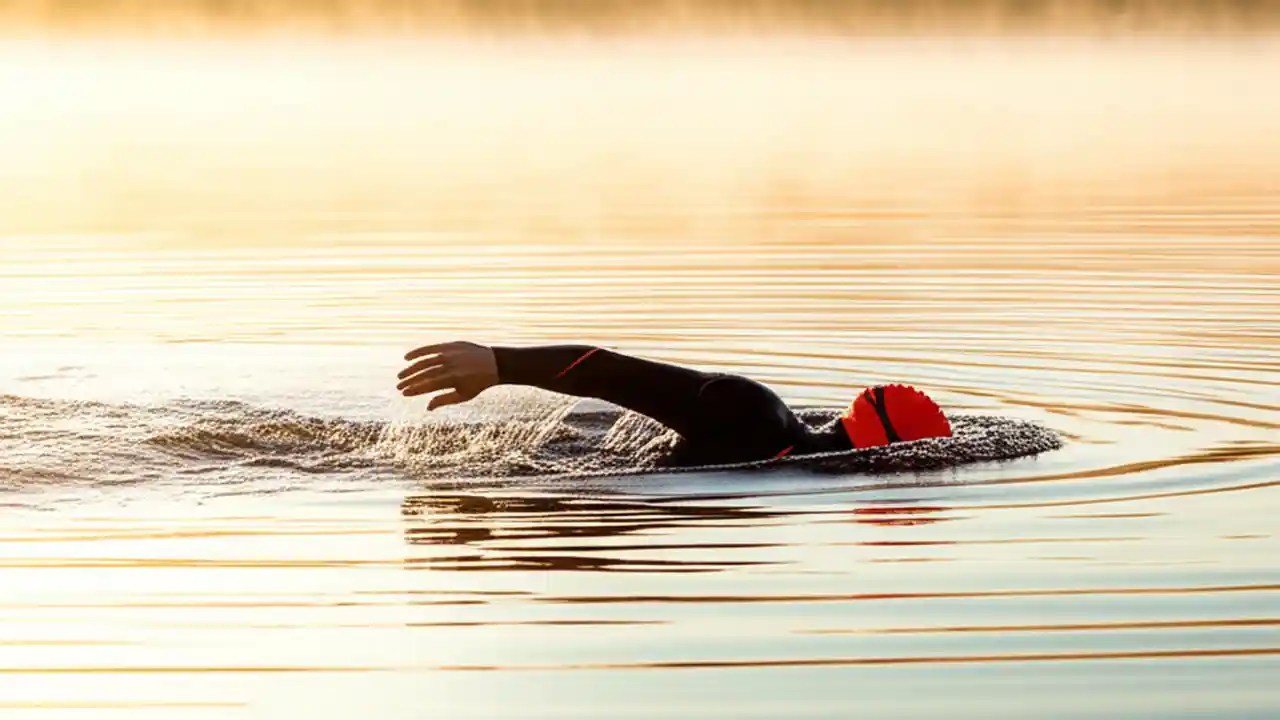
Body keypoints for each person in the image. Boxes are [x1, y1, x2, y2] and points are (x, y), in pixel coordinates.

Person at [396, 341, 952, 466]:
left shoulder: (778, 433)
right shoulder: (753, 420)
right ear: (890, 454)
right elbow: (611, 373)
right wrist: (499, 364)